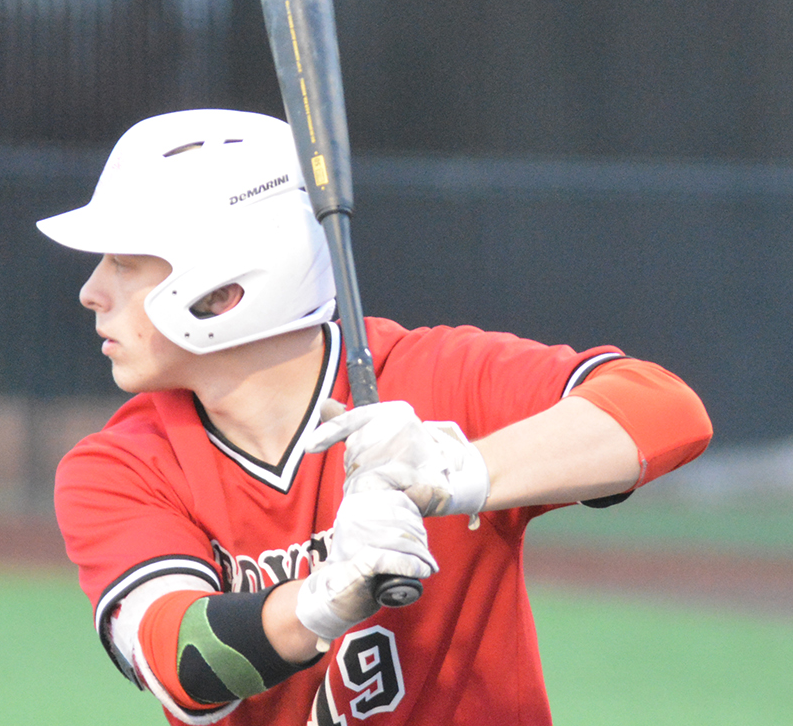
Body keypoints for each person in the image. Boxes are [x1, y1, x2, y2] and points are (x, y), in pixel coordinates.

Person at [38, 108, 712, 725]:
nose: (91, 292)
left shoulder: (430, 378)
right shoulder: (119, 467)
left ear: (221, 290)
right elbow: (182, 662)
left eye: (124, 264)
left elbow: (665, 410)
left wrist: (452, 471)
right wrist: (324, 598)